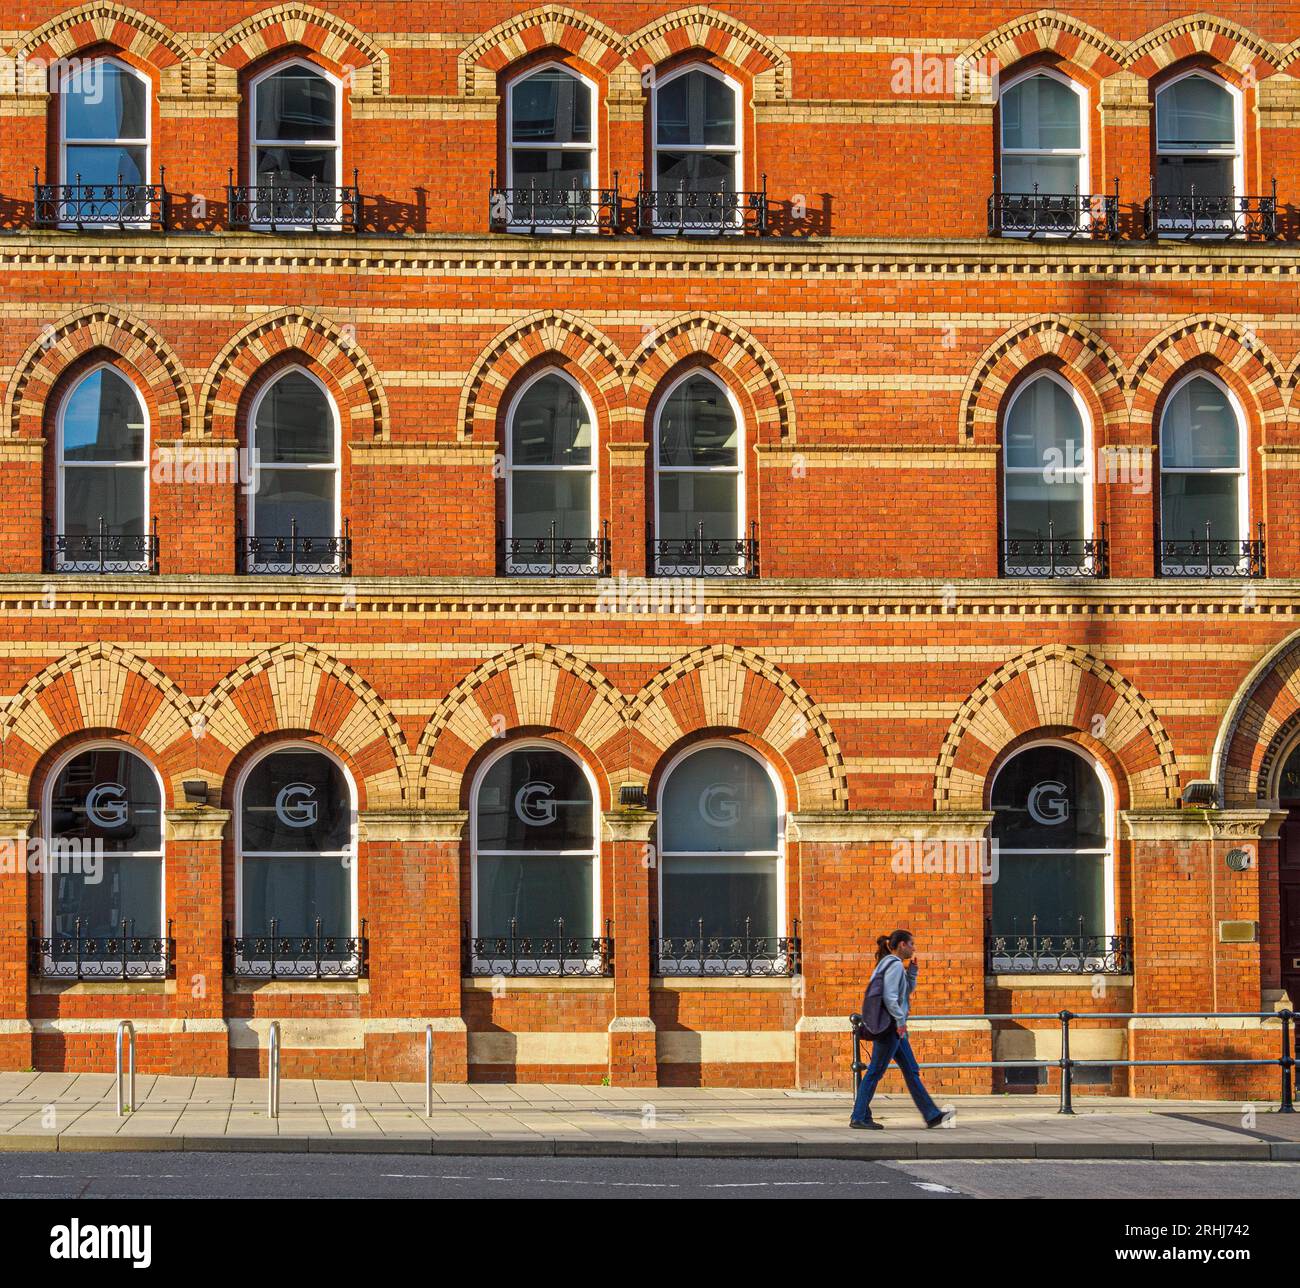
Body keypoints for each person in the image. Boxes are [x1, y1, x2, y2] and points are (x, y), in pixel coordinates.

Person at [849, 929, 952, 1129]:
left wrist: (912, 973)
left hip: (894, 1028)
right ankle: (858, 1117)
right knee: (875, 1072)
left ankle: (931, 1115)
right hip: (891, 1028)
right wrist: (900, 1021)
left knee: (911, 1070)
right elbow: (890, 997)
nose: (914, 948)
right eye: (911, 944)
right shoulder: (894, 965)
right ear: (902, 945)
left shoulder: (889, 965)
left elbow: (905, 992)